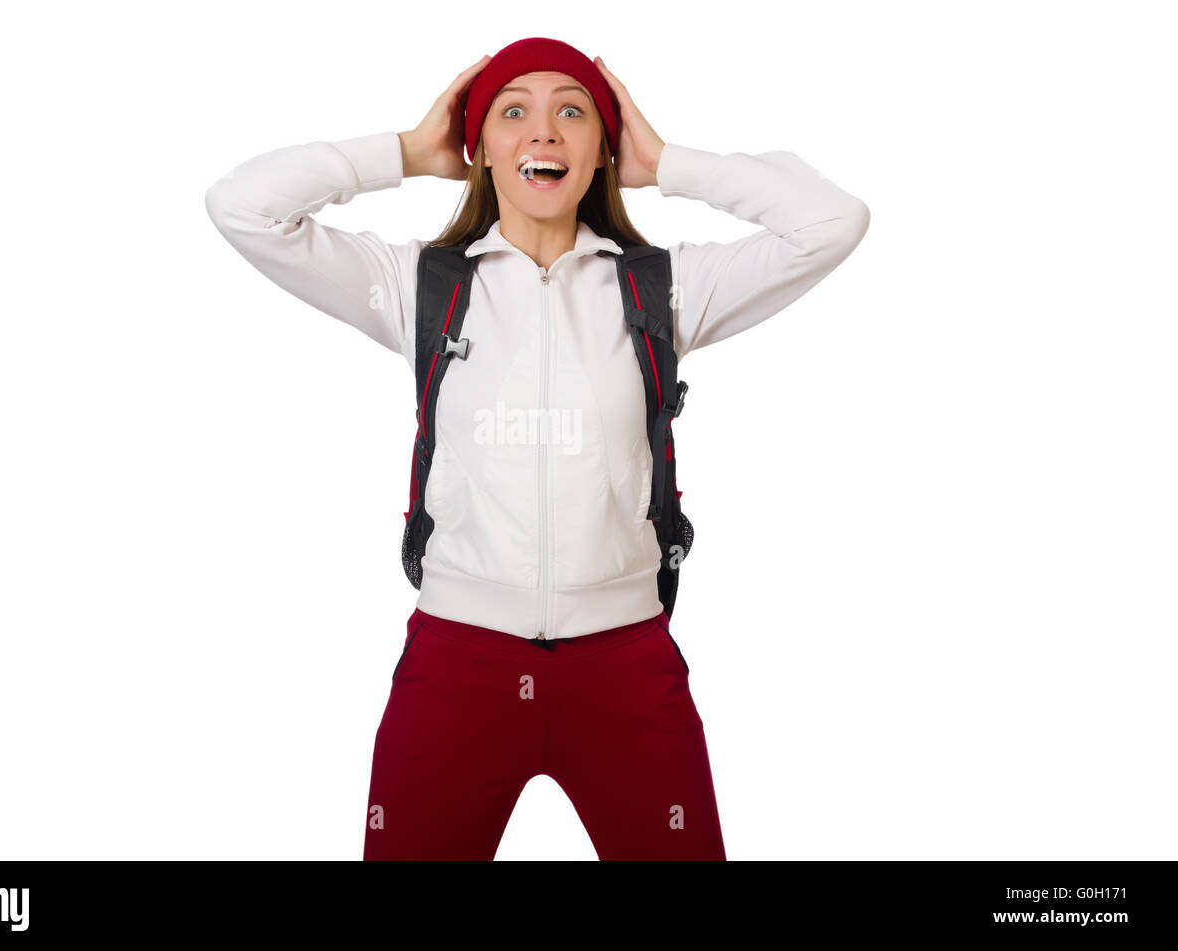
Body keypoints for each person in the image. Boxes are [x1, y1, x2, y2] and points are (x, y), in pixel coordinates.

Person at [204, 37, 870, 860]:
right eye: (512, 112)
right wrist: (408, 152)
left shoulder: (660, 289)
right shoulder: (423, 287)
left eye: (572, 111)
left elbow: (833, 223)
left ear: (603, 147)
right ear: (480, 149)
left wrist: (667, 162)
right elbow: (242, 206)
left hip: (626, 667)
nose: (543, 132)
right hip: (455, 664)